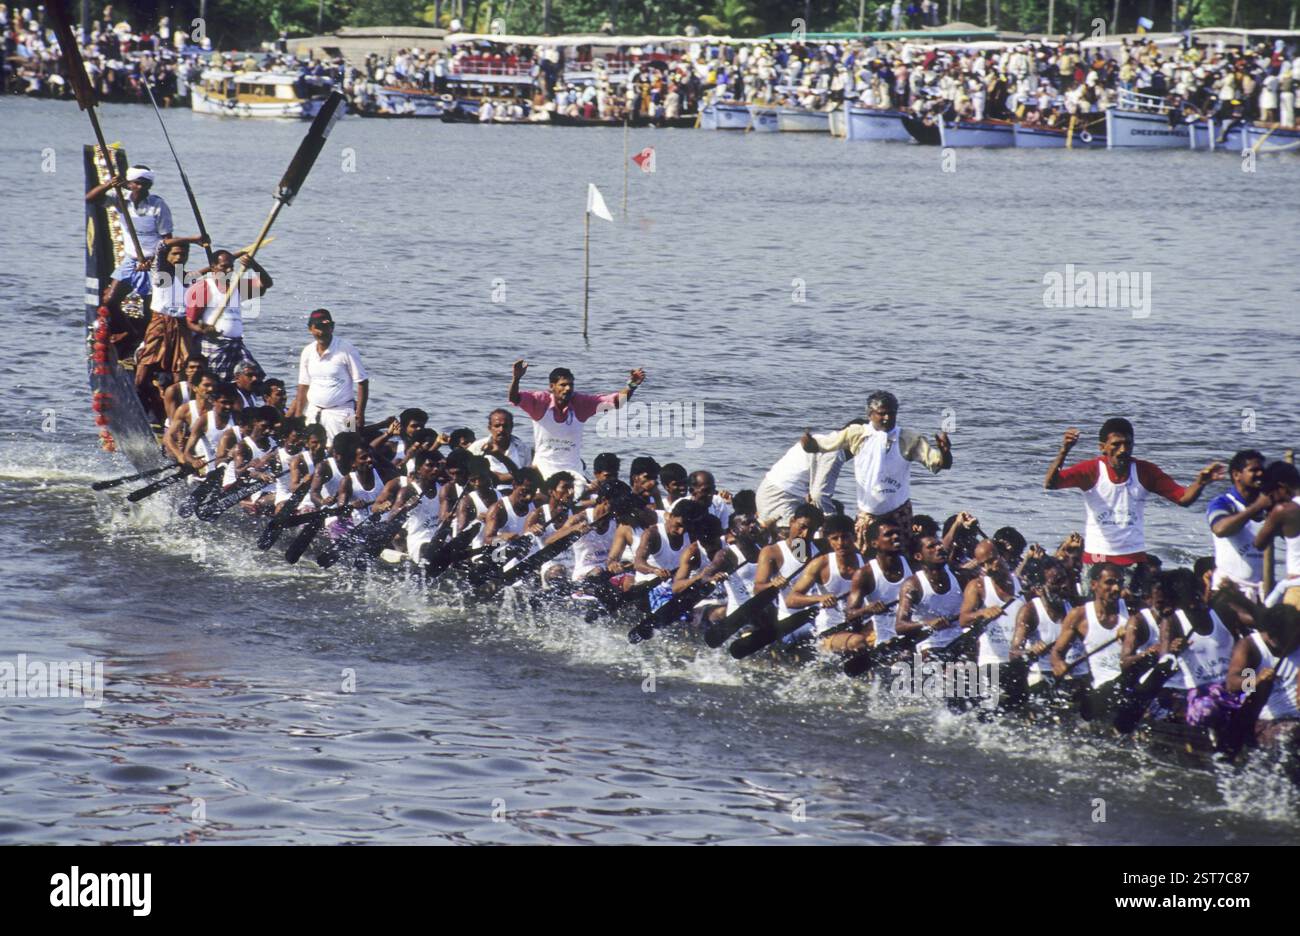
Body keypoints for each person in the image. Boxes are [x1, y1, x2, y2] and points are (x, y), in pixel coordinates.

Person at [1044, 418, 1224, 568]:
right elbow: (1051, 484)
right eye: (1116, 444)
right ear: (1103, 447)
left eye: (1127, 444)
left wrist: (1201, 482)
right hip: (1096, 559)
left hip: (1134, 559)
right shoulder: (1091, 470)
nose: (1123, 450)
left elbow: (1183, 498)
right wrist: (1064, 450)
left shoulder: (1145, 471)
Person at [800, 390, 951, 546]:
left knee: (900, 557)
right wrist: (808, 444)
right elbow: (825, 445)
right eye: (882, 414)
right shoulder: (856, 434)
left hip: (898, 513)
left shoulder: (909, 438)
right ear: (870, 414)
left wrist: (945, 452)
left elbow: (940, 464)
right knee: (865, 558)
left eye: (892, 414)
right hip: (868, 514)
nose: (887, 418)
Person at [507, 359, 645, 497]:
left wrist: (631, 385)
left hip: (573, 469)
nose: (568, 389)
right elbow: (514, 398)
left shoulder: (581, 403)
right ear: (552, 386)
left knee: (581, 497)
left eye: (571, 385)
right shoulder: (539, 402)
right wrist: (516, 378)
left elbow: (616, 402)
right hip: (543, 467)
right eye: (563, 385)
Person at [134, 237, 206, 422]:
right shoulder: (160, 270)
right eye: (176, 253)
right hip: (160, 323)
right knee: (145, 367)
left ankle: (177, 417)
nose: (179, 257)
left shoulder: (184, 276)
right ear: (168, 256)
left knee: (180, 373)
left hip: (181, 325)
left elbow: (204, 272)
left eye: (183, 254)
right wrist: (195, 239)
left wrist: (216, 266)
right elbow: (161, 245)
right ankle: (138, 405)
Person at [85, 165, 172, 315]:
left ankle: (147, 334)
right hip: (131, 260)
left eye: (146, 184)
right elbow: (90, 198)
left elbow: (167, 239)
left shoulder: (157, 205)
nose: (141, 187)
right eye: (137, 183)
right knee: (109, 300)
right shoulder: (120, 199)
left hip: (153, 262)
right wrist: (109, 184)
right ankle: (128, 331)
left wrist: (153, 261)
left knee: (151, 306)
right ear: (129, 183)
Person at [184, 248, 272, 381]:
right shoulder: (204, 287)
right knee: (215, 382)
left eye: (231, 267)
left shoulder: (236, 286)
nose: (229, 271)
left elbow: (266, 284)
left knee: (254, 378)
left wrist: (254, 265)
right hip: (215, 345)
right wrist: (205, 330)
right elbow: (190, 321)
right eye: (224, 267)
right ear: (213, 268)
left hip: (237, 344)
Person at [289, 309, 369, 443]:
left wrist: (359, 415)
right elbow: (303, 386)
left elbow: (362, 383)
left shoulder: (346, 349)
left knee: (349, 447)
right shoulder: (307, 352)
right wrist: (298, 414)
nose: (322, 332)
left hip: (345, 411)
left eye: (326, 327)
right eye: (318, 327)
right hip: (313, 412)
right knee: (313, 450)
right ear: (310, 329)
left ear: (332, 327)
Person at [1050, 562, 1130, 687]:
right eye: (1109, 582)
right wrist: (1058, 664)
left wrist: (1132, 634)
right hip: (1100, 687)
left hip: (1129, 681)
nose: (1116, 588)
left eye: (1120, 583)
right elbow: (1057, 652)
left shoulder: (1133, 610)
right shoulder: (1079, 615)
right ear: (1093, 585)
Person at [755, 426, 851, 530]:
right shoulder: (835, 452)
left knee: (787, 539)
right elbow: (819, 495)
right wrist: (833, 520)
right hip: (781, 497)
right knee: (798, 539)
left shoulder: (823, 440)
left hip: (773, 491)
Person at [1206, 449, 1269, 601]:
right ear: (1236, 475)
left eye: (1262, 470)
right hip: (1228, 591)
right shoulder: (1223, 503)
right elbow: (1220, 529)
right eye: (1254, 470)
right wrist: (1256, 508)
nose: (1260, 474)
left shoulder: (1270, 506)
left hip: (1262, 591)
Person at [1254, 461, 1300, 610]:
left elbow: (1259, 543)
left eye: (1271, 494)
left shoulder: (1284, 510)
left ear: (1282, 487)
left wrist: (1269, 512)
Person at [467, 408, 532, 491]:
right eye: (497, 426)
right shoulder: (477, 447)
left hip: (515, 494)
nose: (501, 430)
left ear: (511, 428)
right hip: (487, 493)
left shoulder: (523, 448)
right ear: (490, 428)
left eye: (505, 426)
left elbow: (526, 477)